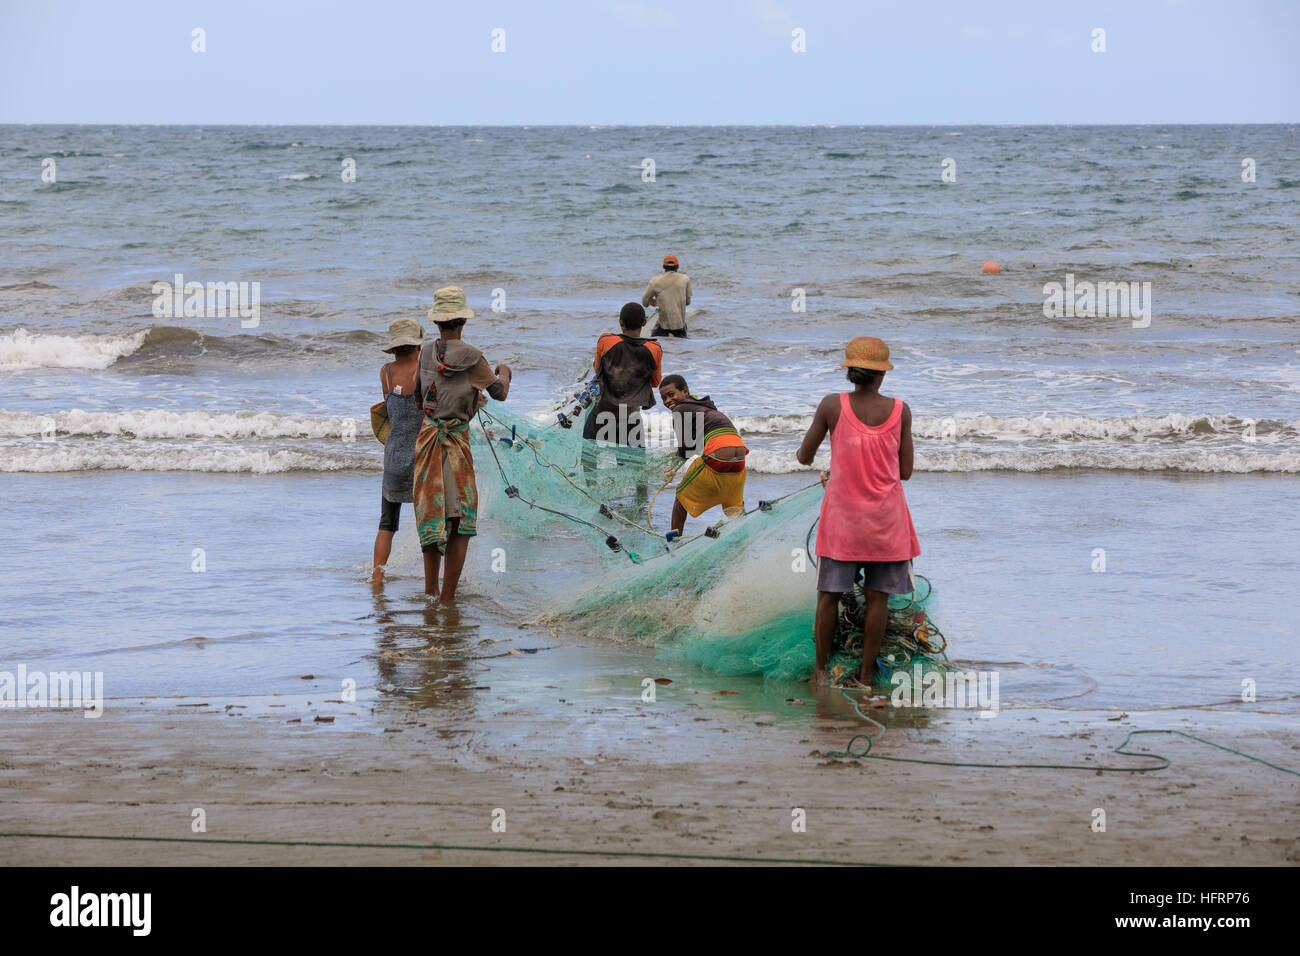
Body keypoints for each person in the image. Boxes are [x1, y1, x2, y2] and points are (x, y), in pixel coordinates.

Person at [795, 337, 920, 688]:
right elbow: (905, 471)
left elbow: (804, 456)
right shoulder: (901, 410)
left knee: (828, 598)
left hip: (843, 522)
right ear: (882, 375)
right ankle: (866, 677)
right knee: (878, 599)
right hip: (886, 522)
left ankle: (821, 674)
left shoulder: (832, 405)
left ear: (850, 372)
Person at [413, 286, 511, 602]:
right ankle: (447, 597)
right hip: (454, 445)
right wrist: (505, 373)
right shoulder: (473, 357)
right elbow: (499, 393)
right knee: (458, 522)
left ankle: (430, 590)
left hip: (427, 442)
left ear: (438, 323)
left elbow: (420, 399)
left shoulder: (426, 351)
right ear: (462, 322)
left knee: (432, 516)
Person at [659, 374, 748, 539]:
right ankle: (744, 538)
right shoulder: (705, 408)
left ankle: (673, 542)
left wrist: (677, 457)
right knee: (732, 506)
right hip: (739, 459)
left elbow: (685, 449)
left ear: (685, 391)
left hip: (719, 454)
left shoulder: (680, 409)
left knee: (681, 497)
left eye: (671, 394)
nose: (667, 401)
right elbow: (694, 445)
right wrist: (681, 452)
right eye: (663, 398)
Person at [582, 302, 663, 482]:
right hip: (631, 416)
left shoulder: (606, 341)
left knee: (588, 458)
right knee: (637, 466)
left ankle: (592, 494)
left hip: (602, 412)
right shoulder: (654, 348)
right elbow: (656, 382)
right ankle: (641, 503)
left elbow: (597, 369)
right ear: (644, 322)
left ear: (620, 322)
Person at [371, 317, 425, 585]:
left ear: (393, 348)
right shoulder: (424, 370)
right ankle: (431, 580)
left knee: (387, 522)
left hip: (393, 454)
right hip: (422, 455)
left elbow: (391, 409)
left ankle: (377, 576)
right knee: (425, 521)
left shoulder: (386, 372)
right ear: (418, 346)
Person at [641, 254, 692, 337]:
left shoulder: (654, 281)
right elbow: (687, 302)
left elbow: (644, 303)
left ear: (663, 267)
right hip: (679, 325)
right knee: (683, 346)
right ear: (677, 267)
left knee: (655, 343)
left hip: (663, 326)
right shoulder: (685, 279)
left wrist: (654, 302)